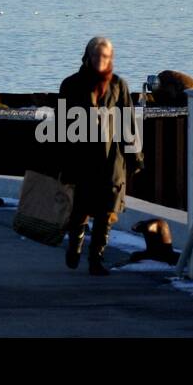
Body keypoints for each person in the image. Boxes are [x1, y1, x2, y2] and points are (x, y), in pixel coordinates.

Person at [57, 36, 143, 276]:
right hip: (82, 156)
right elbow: (61, 123)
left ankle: (97, 259)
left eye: (105, 56)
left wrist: (135, 155)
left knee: (107, 210)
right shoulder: (71, 84)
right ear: (87, 56)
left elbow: (128, 121)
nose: (101, 60)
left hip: (111, 156)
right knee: (81, 209)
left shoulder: (118, 85)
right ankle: (75, 248)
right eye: (96, 55)